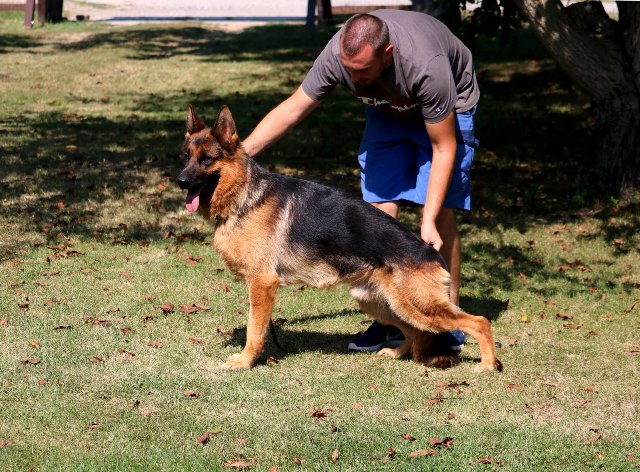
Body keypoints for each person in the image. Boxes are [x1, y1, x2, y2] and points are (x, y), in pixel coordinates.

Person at [242, 9, 478, 356]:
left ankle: (446, 319)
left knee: (440, 213)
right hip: (386, 110)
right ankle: (387, 320)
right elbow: (292, 110)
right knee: (377, 209)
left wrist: (426, 218)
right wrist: (236, 158)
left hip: (446, 109)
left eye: (362, 70)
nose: (354, 78)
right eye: (348, 70)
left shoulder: (426, 65)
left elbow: (444, 147)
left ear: (388, 53)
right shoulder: (339, 54)